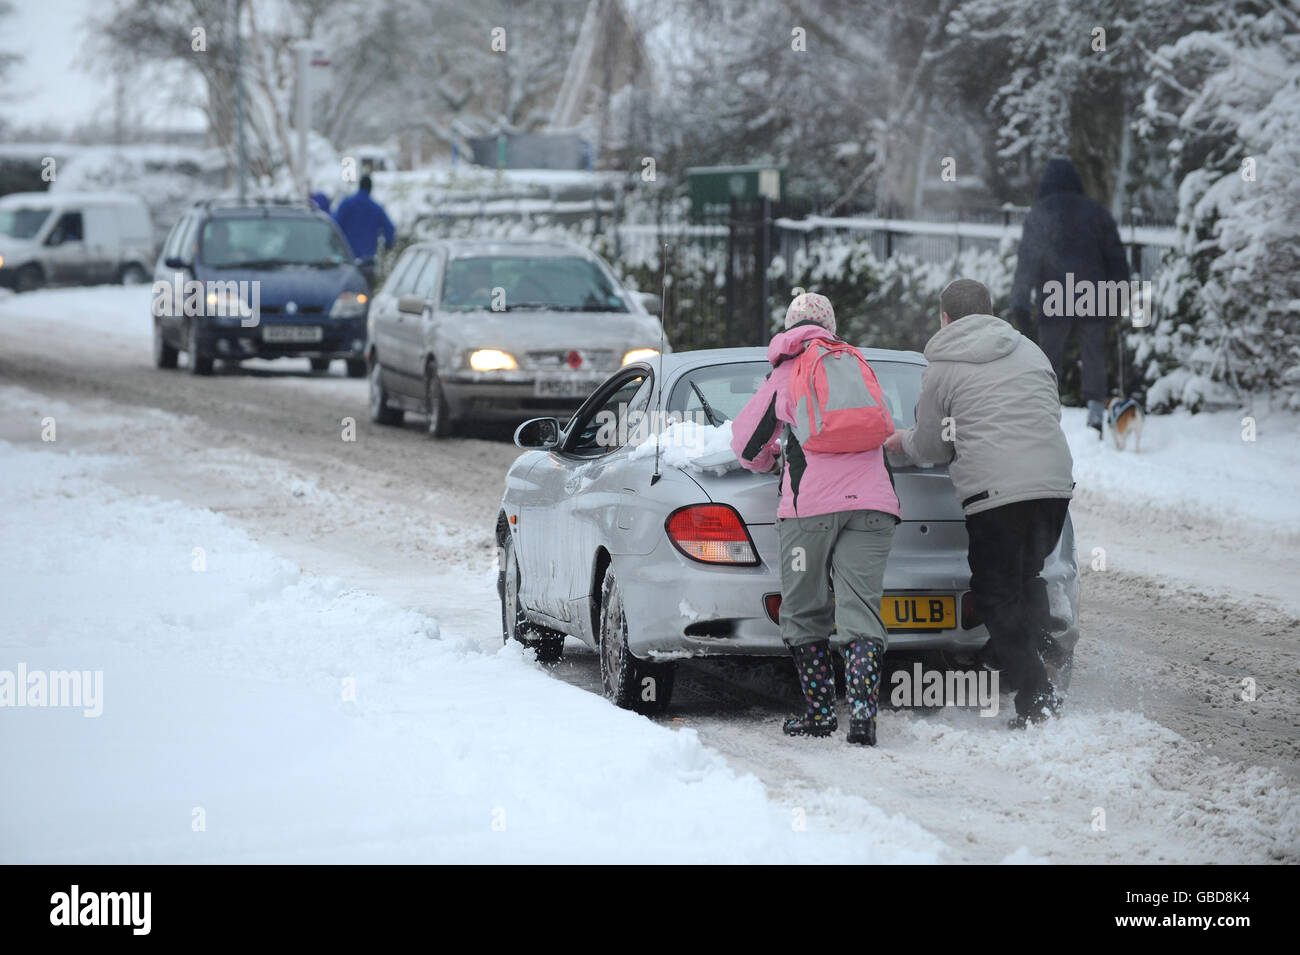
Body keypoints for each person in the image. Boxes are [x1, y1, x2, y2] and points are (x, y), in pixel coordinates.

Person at [884, 279, 1075, 725]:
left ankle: (1036, 697)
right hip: (1054, 487)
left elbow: (931, 445)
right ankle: (1038, 647)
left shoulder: (943, 368)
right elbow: (1048, 413)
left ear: (944, 318)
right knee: (1024, 574)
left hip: (996, 495)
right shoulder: (1030, 351)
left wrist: (901, 441)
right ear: (991, 311)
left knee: (993, 595)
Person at [730, 292, 900, 745]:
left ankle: (821, 713)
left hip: (810, 512)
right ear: (831, 324)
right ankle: (863, 717)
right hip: (873, 507)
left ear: (790, 326)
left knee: (805, 611)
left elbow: (747, 444)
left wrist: (772, 461)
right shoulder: (855, 361)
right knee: (861, 610)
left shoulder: (787, 371)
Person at [1009, 157, 1131, 438]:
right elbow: (1116, 258)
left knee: (1048, 356)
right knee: (1093, 354)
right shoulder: (1096, 212)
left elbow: (1028, 259)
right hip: (1093, 293)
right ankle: (1095, 413)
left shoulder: (1040, 213)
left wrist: (1020, 301)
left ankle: (1043, 413)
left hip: (1055, 293)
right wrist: (1121, 298)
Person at [333, 174, 395, 286]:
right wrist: (388, 244)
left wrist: (334, 245)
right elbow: (389, 228)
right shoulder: (376, 208)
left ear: (359, 186)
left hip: (347, 259)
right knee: (367, 293)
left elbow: (334, 225)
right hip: (367, 262)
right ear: (371, 188)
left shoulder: (346, 204)